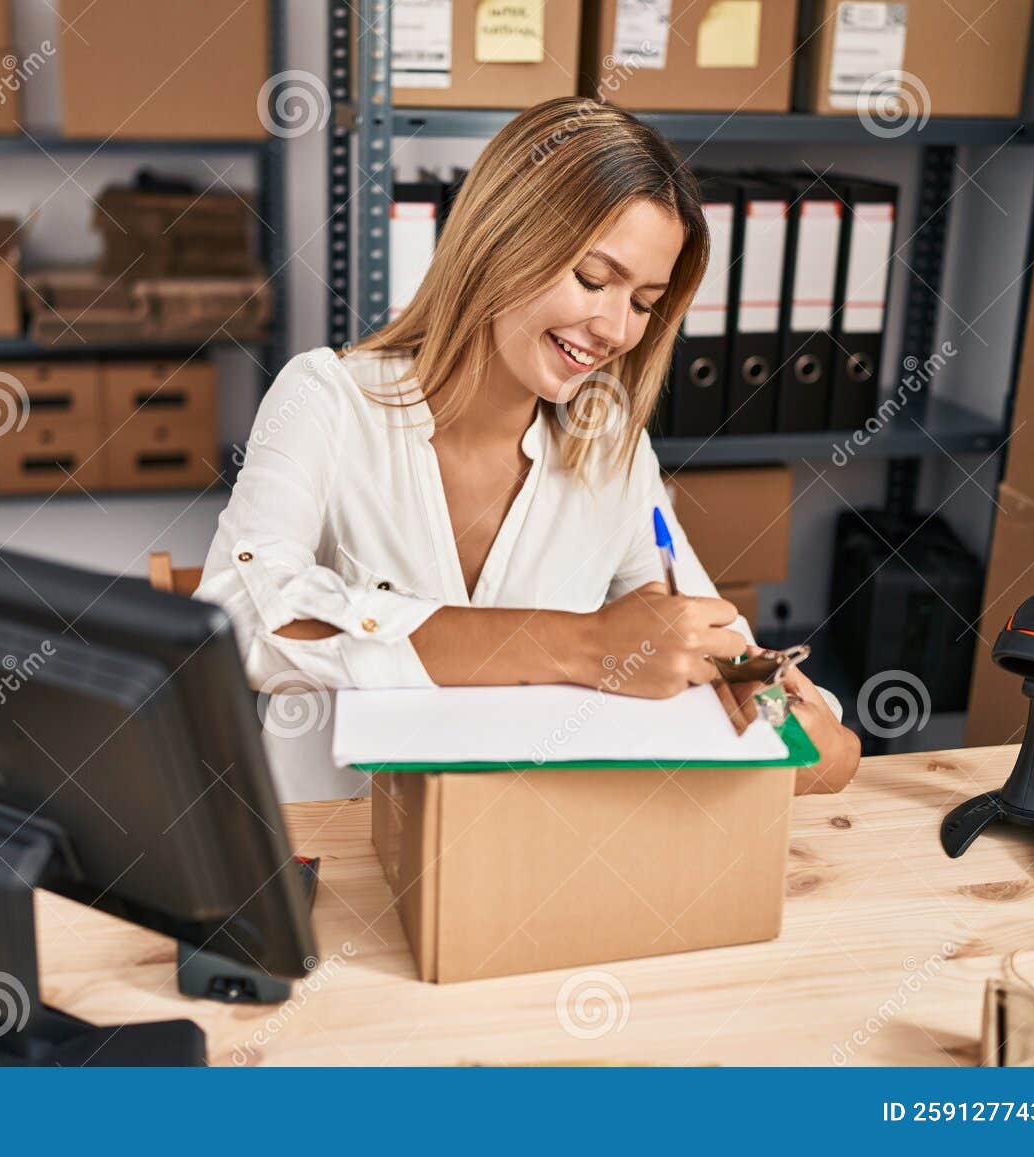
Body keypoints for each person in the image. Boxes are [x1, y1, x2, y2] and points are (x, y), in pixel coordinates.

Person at [195, 97, 859, 795]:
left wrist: (817, 737)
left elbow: (716, 646)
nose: (615, 329)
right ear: (501, 237)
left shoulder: (609, 447)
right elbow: (237, 617)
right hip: (329, 845)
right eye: (594, 279)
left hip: (519, 853)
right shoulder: (325, 400)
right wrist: (586, 644)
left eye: (642, 303)